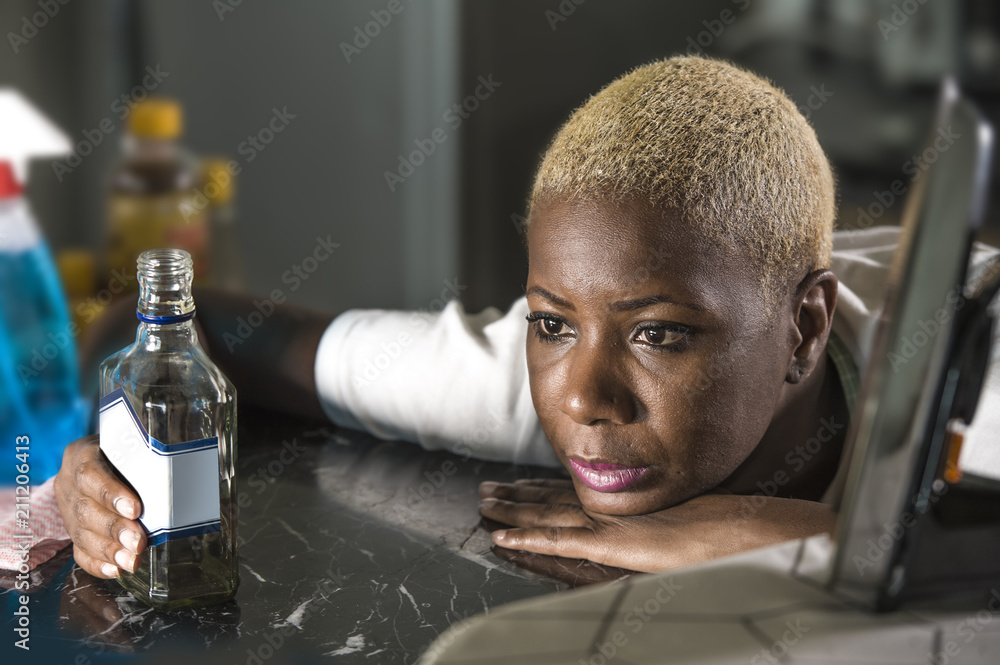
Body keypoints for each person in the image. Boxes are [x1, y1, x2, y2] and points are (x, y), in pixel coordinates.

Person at [53, 56, 999, 581]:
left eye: (659, 333)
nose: (583, 396)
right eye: (553, 321)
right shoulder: (516, 377)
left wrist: (777, 532)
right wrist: (114, 446)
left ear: (802, 330)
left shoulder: (977, 369)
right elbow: (157, 316)